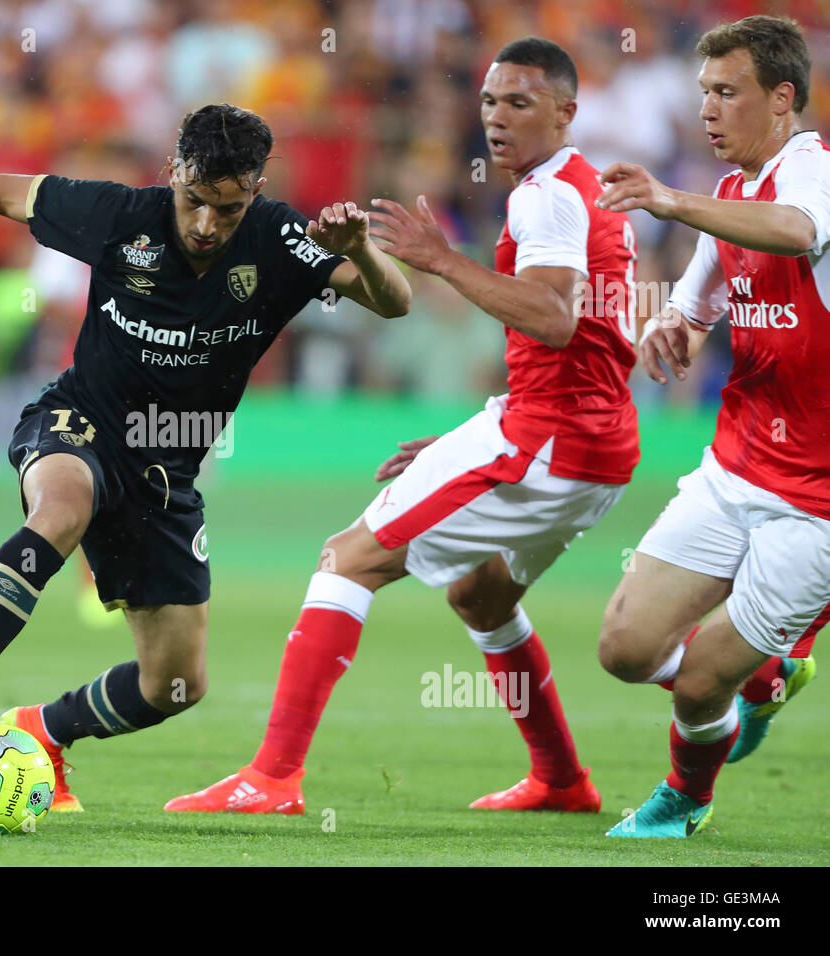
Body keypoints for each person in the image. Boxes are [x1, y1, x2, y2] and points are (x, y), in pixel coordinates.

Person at [0, 104, 412, 810]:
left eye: (228, 208)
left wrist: (361, 249)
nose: (206, 225)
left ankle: (40, 729)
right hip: (79, 423)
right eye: (194, 201)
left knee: (176, 685)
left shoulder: (281, 237)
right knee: (62, 507)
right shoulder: (120, 215)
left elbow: (394, 302)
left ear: (254, 189)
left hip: (166, 478)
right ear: (172, 172)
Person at [167, 38, 638, 816]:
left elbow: (554, 319)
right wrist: (468, 440)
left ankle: (274, 776)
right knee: (482, 598)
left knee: (347, 559)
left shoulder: (547, 195)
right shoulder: (579, 189)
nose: (495, 117)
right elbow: (574, 345)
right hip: (592, 443)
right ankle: (560, 778)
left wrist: (439, 260)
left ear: (566, 112)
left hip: (546, 438)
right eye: (488, 101)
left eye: (519, 102)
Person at [596, 15, 822, 838]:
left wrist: (664, 197)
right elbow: (701, 301)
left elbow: (797, 232)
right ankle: (767, 675)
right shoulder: (731, 195)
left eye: (728, 93)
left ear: (783, 99)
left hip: (817, 503)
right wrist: (678, 330)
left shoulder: (815, 177)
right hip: (735, 470)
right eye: (705, 93)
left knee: (697, 684)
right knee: (624, 646)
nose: (709, 110)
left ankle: (685, 799)